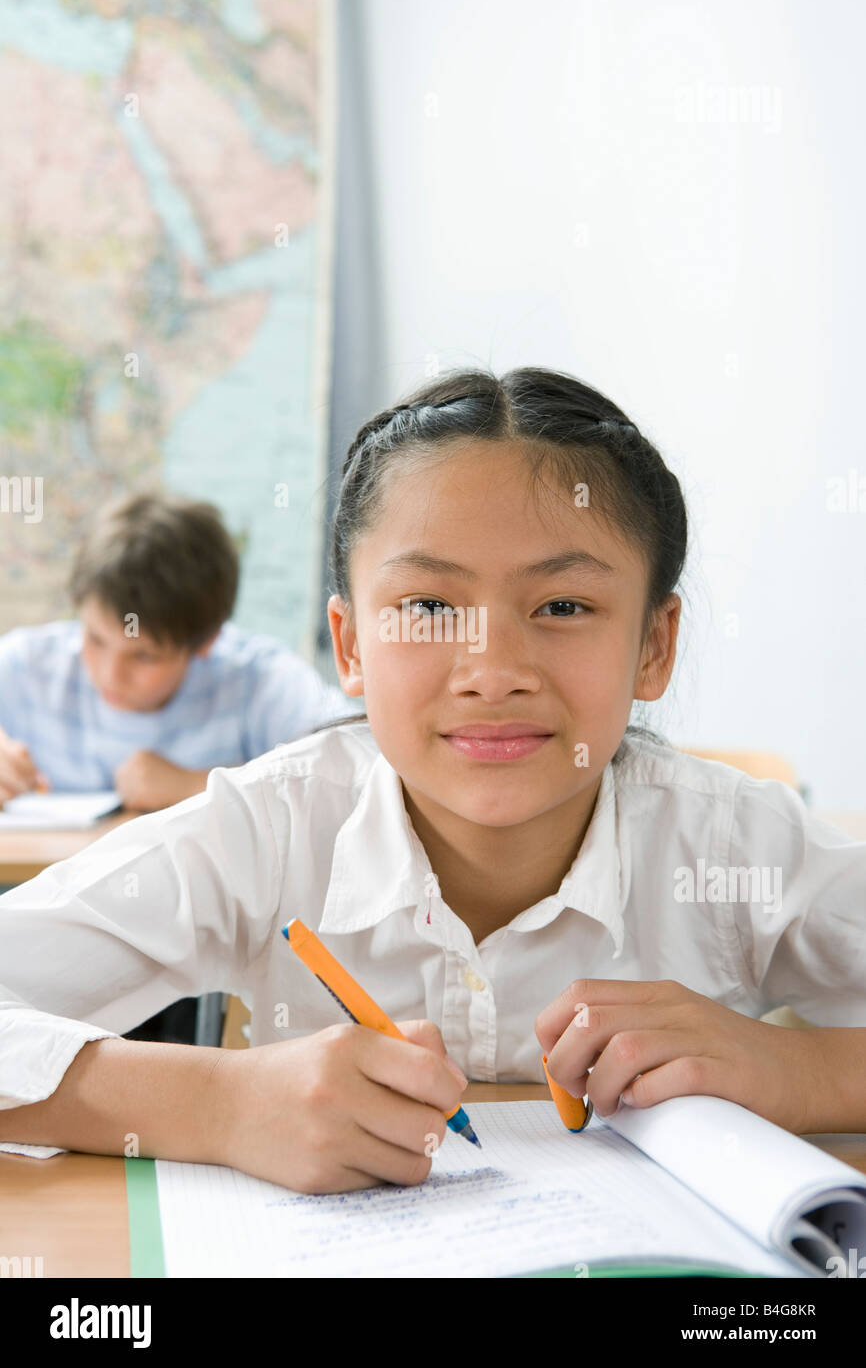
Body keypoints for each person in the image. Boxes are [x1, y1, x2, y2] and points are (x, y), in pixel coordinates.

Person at [0, 367, 864, 1195]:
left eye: (562, 606)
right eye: (427, 607)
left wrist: (792, 1068)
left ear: (653, 645)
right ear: (349, 648)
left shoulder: (732, 847)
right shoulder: (266, 829)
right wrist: (218, 1105)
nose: (492, 671)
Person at [0, 491, 353, 810]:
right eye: (94, 638)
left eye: (143, 656)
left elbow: (356, 765)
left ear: (206, 641)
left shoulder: (258, 680)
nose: (109, 674)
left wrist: (197, 786)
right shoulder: (25, 664)